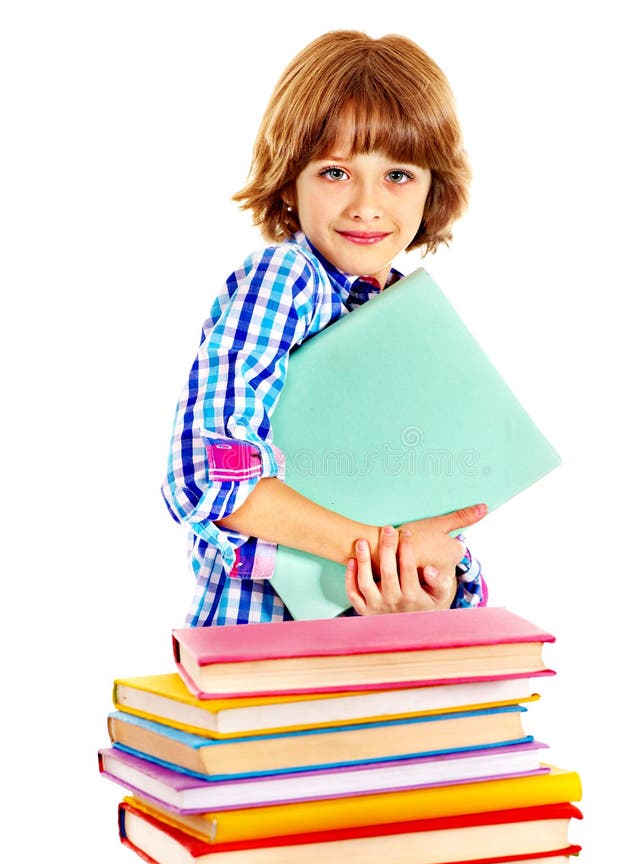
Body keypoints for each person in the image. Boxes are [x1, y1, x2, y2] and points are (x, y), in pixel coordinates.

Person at [162, 30, 489, 626]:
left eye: (398, 176)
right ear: (291, 179)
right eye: (336, 172)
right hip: (263, 646)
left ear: (431, 188)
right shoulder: (285, 280)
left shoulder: (410, 323)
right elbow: (207, 473)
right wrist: (379, 549)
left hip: (375, 647)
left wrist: (433, 587)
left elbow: (442, 519)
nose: (367, 204)